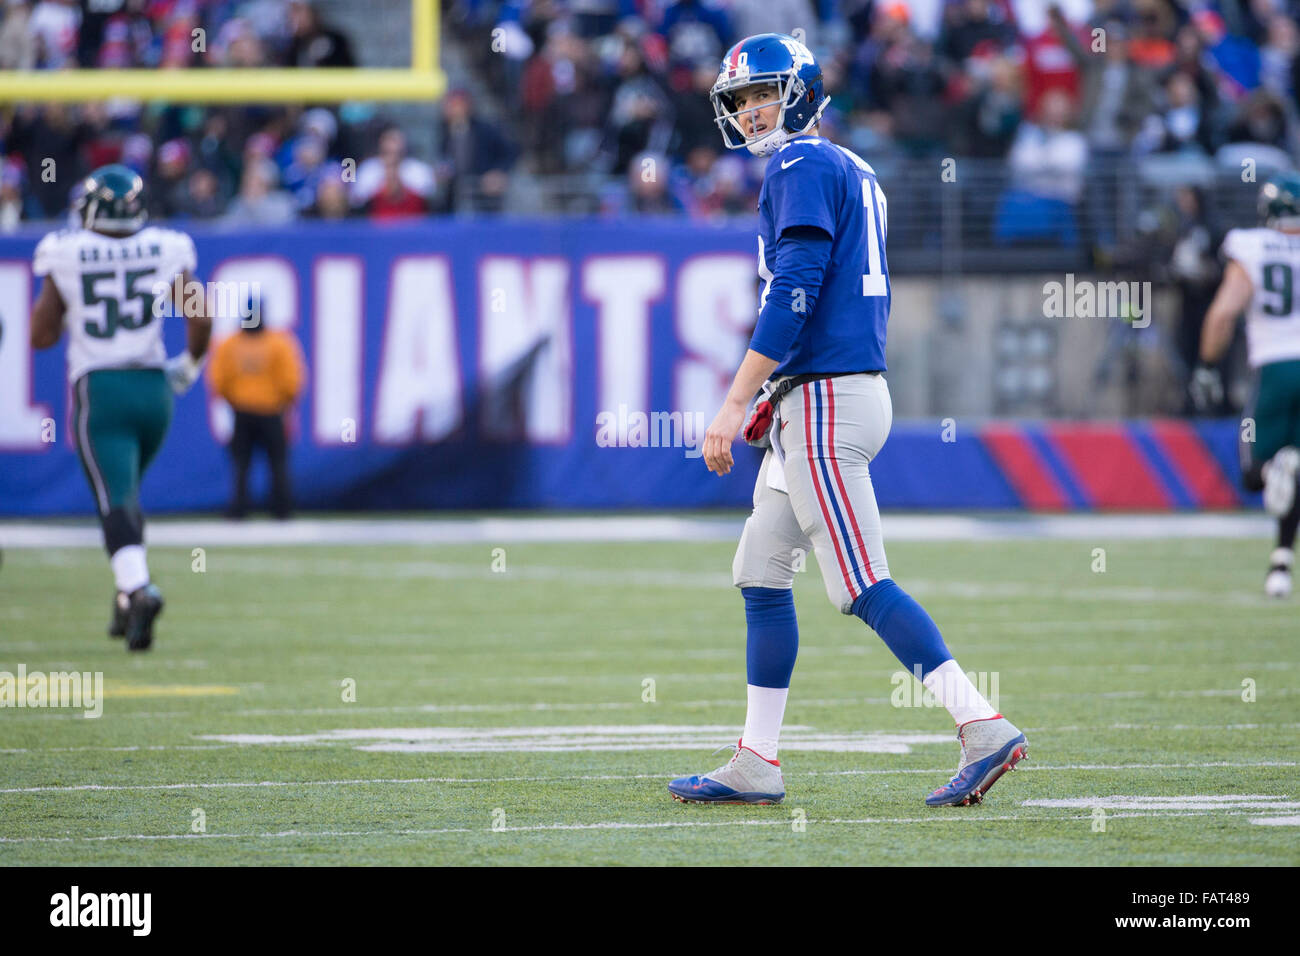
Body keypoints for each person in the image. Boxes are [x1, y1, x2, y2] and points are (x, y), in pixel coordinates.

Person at [668, 34, 1027, 807]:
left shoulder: (800, 163)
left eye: (760, 93)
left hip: (830, 400)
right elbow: (827, 293)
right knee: (759, 573)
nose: (748, 110)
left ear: (798, 91)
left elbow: (795, 287)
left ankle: (982, 723)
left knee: (859, 583)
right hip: (820, 391)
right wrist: (776, 391)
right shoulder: (849, 166)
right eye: (739, 100)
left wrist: (734, 401)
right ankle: (757, 760)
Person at [30, 164, 211, 650]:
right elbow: (200, 313)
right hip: (154, 394)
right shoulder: (167, 246)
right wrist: (191, 365)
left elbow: (41, 335)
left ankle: (137, 588)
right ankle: (125, 603)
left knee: (114, 501)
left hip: (102, 390)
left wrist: (71, 304)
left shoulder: (65, 251)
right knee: (125, 496)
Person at [1192, 173, 1300, 599]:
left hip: (1275, 369)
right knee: (1295, 467)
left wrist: (1206, 366)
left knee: (1256, 473)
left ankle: (1277, 471)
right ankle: (1281, 564)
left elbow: (1223, 314)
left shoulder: (1251, 246)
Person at [207, 296, 305, 519]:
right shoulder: (277, 342)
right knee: (268, 464)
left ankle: (242, 509)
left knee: (247, 465)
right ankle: (280, 509)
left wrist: (234, 398)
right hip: (267, 411)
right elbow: (291, 380)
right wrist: (281, 399)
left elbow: (219, 379)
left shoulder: (233, 344)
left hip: (247, 411)